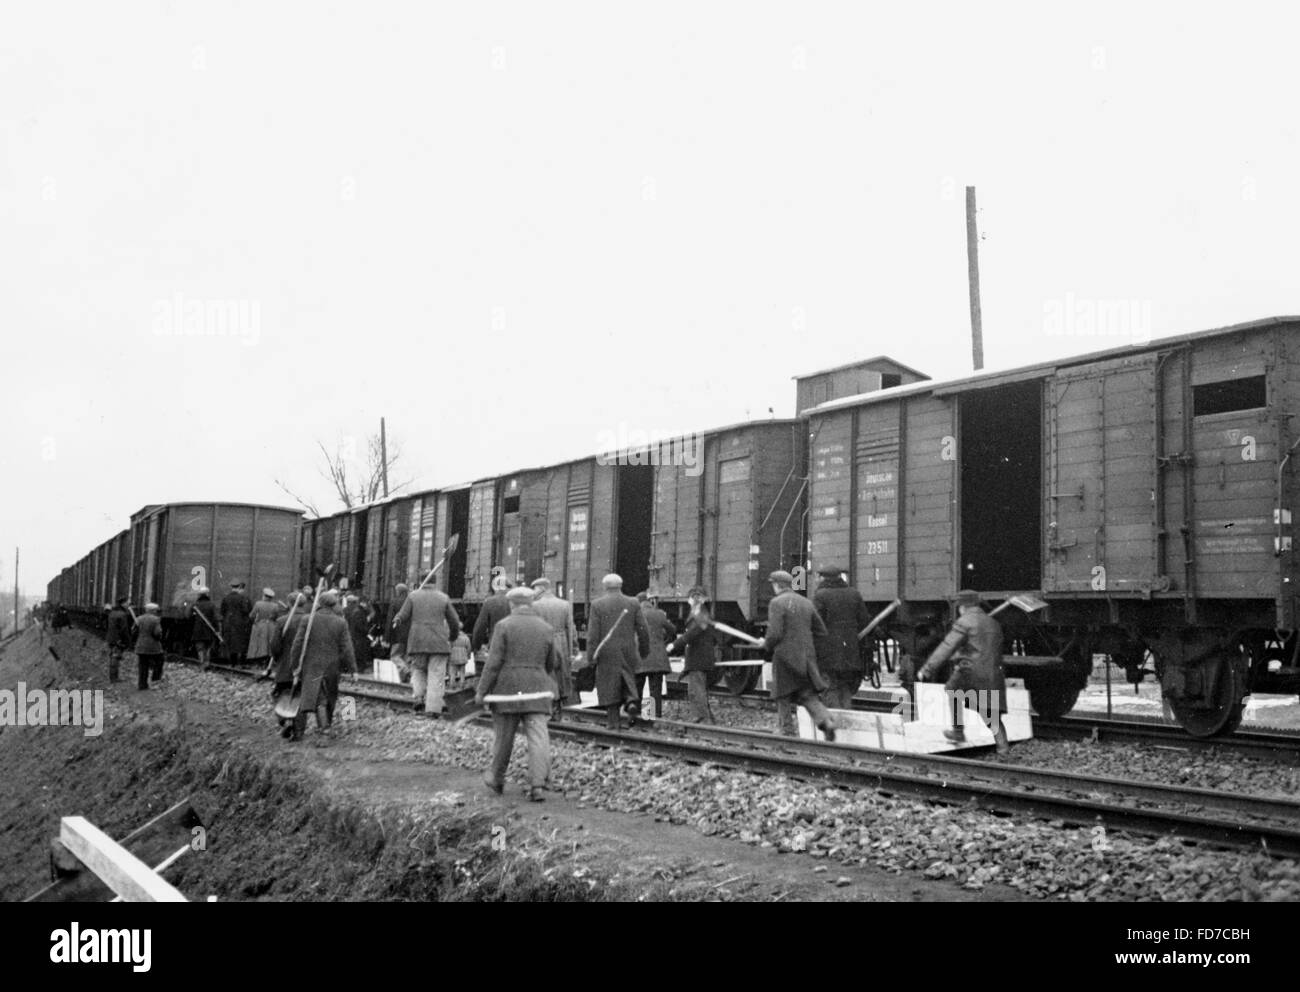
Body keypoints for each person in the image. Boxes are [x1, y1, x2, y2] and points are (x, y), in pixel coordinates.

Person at [477, 586, 561, 801]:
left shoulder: (503, 625)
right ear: (531, 603)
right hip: (538, 690)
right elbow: (552, 663)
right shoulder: (546, 627)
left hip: (508, 691)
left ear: (511, 604)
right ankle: (538, 786)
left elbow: (493, 663)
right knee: (539, 738)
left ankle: (496, 778)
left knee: (504, 738)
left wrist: (482, 691)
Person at [918, 589, 1010, 754]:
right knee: (989, 712)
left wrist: (927, 668)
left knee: (951, 689)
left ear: (962, 607)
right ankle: (1003, 747)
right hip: (993, 674)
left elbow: (947, 646)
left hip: (970, 671)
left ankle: (958, 731)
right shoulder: (993, 623)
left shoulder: (964, 622)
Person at [762, 570, 838, 741]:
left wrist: (766, 644)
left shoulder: (776, 603)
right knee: (807, 694)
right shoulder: (806, 602)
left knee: (782, 695)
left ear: (777, 585)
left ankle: (786, 731)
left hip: (785, 657)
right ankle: (826, 721)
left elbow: (774, 634)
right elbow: (821, 631)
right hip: (806, 659)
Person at [287, 591, 357, 741]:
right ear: (333, 605)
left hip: (311, 665)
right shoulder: (340, 622)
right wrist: (353, 669)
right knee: (327, 699)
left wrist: (294, 666)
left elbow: (297, 645)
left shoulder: (308, 619)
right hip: (332, 667)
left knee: (307, 696)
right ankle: (325, 729)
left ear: (320, 603)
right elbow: (347, 648)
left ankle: (302, 732)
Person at [586, 574, 650, 729]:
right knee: (627, 678)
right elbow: (643, 629)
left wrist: (591, 657)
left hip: (606, 652)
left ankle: (613, 723)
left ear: (605, 587)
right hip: (628, 650)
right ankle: (630, 701)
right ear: (621, 586)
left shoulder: (597, 604)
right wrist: (644, 650)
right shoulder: (633, 602)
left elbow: (593, 635)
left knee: (609, 686)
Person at [394, 580, 462, 716]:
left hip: (417, 642)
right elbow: (454, 621)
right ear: (435, 583)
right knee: (436, 675)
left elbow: (403, 615)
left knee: (418, 670)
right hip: (439, 643)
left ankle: (419, 697)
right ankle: (433, 709)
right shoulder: (443, 597)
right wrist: (453, 637)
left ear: (421, 581)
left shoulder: (413, 596)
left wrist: (398, 620)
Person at [812, 565, 871, 710]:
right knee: (845, 689)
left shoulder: (820, 596)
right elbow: (864, 621)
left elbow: (815, 625)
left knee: (830, 687)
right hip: (850, 653)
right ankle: (845, 722)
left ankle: (835, 725)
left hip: (827, 655)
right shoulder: (854, 594)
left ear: (823, 578)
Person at [668, 587, 720, 723]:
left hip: (698, 657)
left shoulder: (699, 613)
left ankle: (702, 719)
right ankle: (706, 718)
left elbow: (691, 633)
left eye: (690, 598)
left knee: (696, 690)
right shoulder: (701, 613)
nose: (689, 601)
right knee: (697, 688)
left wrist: (674, 644)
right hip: (700, 656)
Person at [530, 577, 579, 708]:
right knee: (561, 673)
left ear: (541, 589)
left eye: (534, 589)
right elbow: (571, 629)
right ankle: (559, 705)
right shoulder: (564, 604)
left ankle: (551, 704)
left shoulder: (534, 606)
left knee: (547, 673)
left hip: (543, 641)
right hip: (561, 641)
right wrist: (574, 648)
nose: (533, 592)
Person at [272, 593, 310, 737]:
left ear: (289, 603)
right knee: (300, 698)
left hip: (285, 666)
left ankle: (284, 720)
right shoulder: (310, 621)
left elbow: (275, 646)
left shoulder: (282, 621)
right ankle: (299, 731)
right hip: (304, 667)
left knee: (280, 693)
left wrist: (277, 659)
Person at [635, 592, 676, 718]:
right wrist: (665, 642)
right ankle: (653, 715)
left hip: (640, 657)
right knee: (655, 689)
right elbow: (673, 630)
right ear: (649, 601)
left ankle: (638, 715)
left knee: (638, 688)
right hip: (658, 658)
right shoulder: (659, 614)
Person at [471, 583, 512, 675]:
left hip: (495, 643)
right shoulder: (515, 602)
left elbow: (480, 627)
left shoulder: (490, 602)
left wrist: (476, 646)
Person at [133, 603, 165, 691]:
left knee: (143, 665)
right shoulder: (156, 620)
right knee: (159, 661)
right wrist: (159, 637)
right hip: (153, 646)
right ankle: (155, 680)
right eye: (156, 610)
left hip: (140, 645)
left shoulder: (139, 619)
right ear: (153, 611)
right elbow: (157, 633)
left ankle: (142, 684)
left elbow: (133, 631)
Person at [246, 588, 281, 669]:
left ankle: (259, 662)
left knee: (259, 644)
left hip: (260, 625)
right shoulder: (275, 605)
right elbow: (276, 617)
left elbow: (251, 615)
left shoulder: (258, 604)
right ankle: (268, 661)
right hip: (271, 626)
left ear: (264, 596)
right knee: (269, 644)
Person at [220, 581, 253, 664]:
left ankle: (232, 662)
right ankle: (241, 662)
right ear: (238, 587)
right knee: (240, 641)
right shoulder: (242, 598)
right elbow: (245, 610)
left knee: (230, 641)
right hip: (239, 623)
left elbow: (222, 611)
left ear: (231, 587)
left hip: (228, 622)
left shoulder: (226, 598)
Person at [105, 597, 133, 684]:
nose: (128, 605)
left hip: (111, 638)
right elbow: (124, 629)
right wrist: (128, 641)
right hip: (118, 639)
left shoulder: (112, 613)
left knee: (113, 656)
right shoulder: (122, 614)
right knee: (115, 657)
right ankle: (114, 678)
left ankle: (113, 677)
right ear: (123, 604)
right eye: (127, 603)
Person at [386, 582, 410, 681]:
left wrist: (386, 637)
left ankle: (406, 670)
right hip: (409, 635)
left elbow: (390, 620)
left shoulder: (395, 602)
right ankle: (404, 679)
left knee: (395, 656)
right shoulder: (410, 601)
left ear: (398, 591)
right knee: (405, 657)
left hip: (397, 635)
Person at [345, 595, 374, 676]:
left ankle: (359, 668)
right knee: (359, 652)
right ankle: (359, 669)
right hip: (358, 636)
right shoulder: (359, 612)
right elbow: (359, 625)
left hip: (355, 635)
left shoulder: (358, 611)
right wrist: (367, 630)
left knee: (358, 652)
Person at [190, 588, 219, 667]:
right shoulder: (211, 605)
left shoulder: (195, 605)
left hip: (198, 630)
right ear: (207, 594)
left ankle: (201, 663)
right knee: (208, 647)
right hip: (209, 630)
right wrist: (217, 629)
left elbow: (190, 617)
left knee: (200, 648)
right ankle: (207, 662)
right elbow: (215, 618)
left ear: (199, 595)